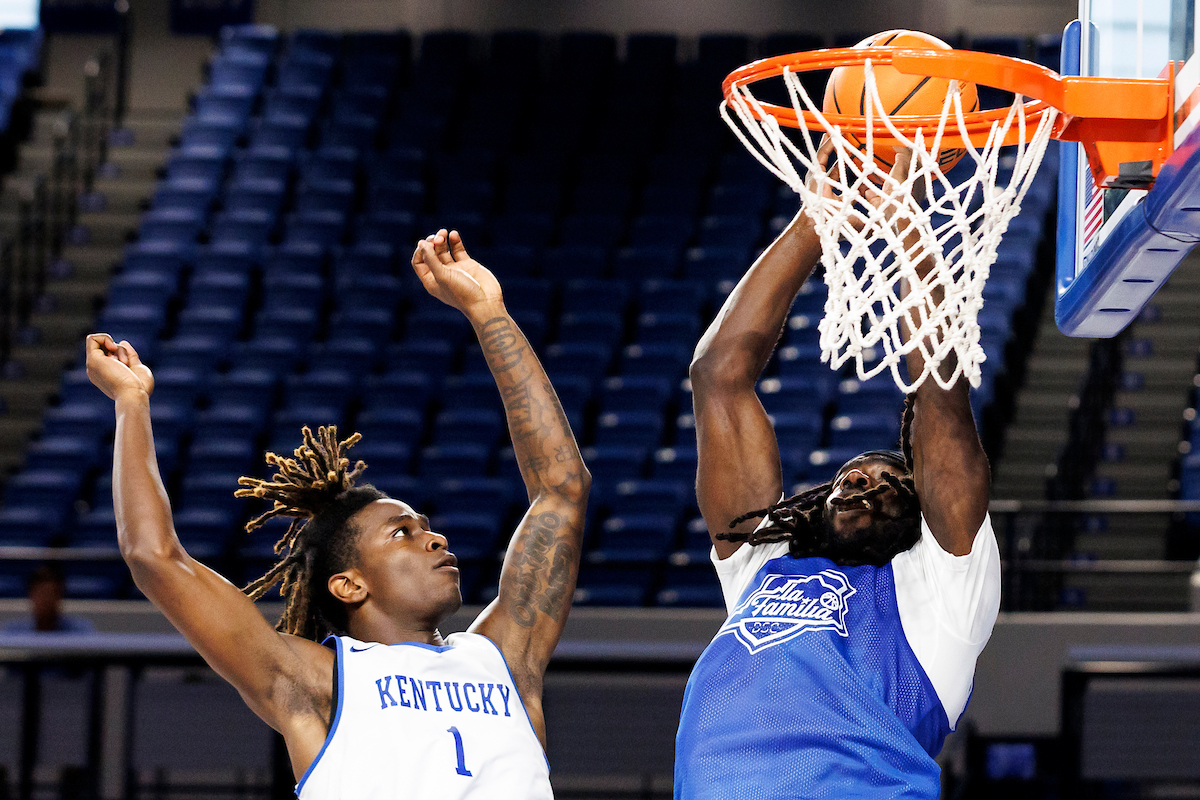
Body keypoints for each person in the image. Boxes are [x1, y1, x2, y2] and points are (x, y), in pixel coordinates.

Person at [85, 229, 590, 799]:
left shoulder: (503, 660)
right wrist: (131, 405)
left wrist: (487, 311)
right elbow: (154, 557)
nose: (435, 538)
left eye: (425, 527)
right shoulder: (315, 680)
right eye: (403, 532)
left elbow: (561, 490)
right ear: (349, 585)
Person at [674, 144, 1001, 799]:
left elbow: (939, 391)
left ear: (922, 510)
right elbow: (718, 379)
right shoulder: (763, 562)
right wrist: (814, 219)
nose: (861, 482)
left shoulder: (941, 588)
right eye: (850, 476)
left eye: (890, 482)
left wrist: (906, 223)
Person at [1, 564, 95, 634]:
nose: (46, 599)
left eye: (51, 593)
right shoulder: (14, 631)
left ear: (60, 595)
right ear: (31, 595)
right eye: (41, 593)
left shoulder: (80, 630)